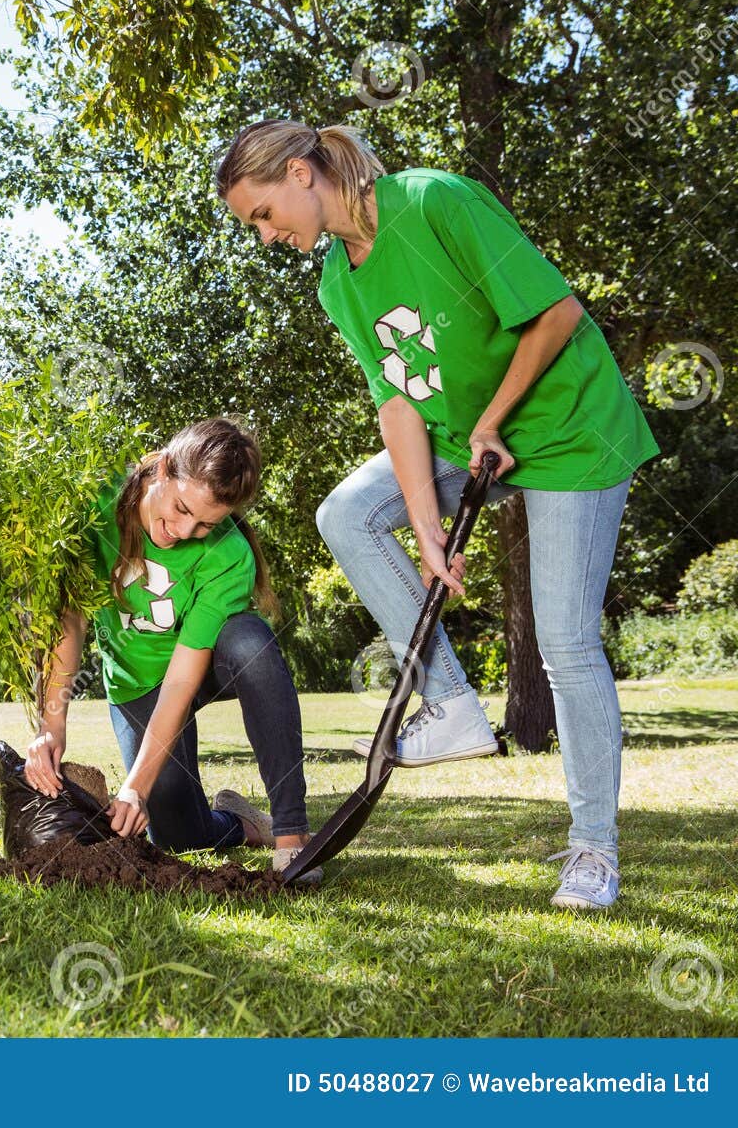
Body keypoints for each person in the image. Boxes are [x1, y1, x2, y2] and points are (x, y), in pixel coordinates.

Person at [216, 119, 659, 908]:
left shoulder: (435, 201)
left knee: (564, 641)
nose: (264, 234)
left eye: (261, 213)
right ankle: (452, 703)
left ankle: (593, 852)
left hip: (571, 429)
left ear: (299, 173)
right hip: (464, 435)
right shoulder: (336, 283)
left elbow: (556, 314)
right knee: (348, 514)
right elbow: (397, 400)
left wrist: (494, 419)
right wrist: (423, 521)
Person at [23, 419, 320, 881]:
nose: (184, 530)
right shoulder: (94, 507)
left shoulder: (228, 555)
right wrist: (52, 723)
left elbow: (183, 676)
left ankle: (291, 835)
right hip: (138, 679)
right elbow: (72, 619)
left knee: (250, 642)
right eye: (181, 508)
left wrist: (134, 788)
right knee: (176, 833)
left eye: (205, 523)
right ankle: (242, 823)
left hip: (202, 667)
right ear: (161, 469)